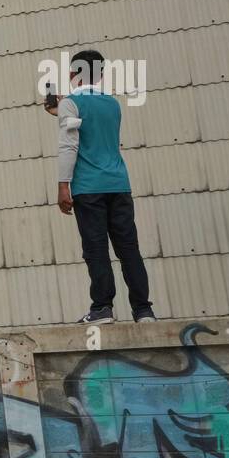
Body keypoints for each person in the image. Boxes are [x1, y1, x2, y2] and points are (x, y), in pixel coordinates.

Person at [47, 49, 155, 324]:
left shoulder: (71, 103)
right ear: (101, 74)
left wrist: (63, 186)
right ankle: (143, 310)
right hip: (119, 184)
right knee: (128, 247)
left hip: (88, 187)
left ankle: (102, 308)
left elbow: (69, 144)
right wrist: (60, 111)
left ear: (73, 74)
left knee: (96, 248)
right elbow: (90, 124)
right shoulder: (112, 104)